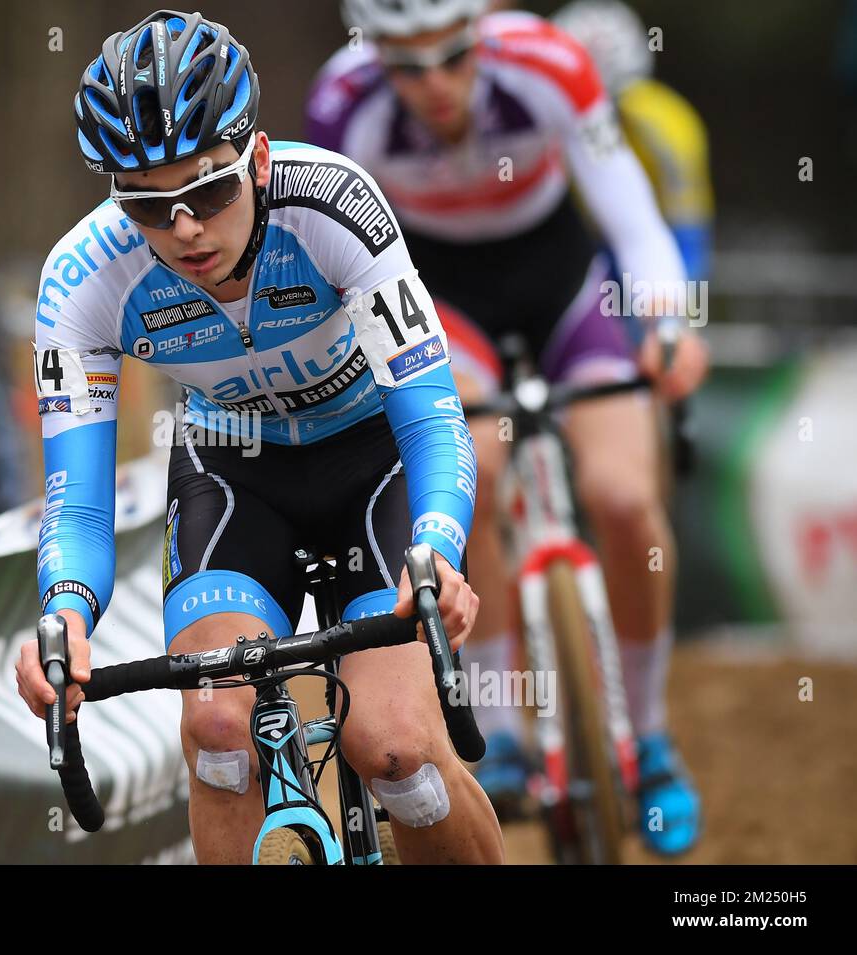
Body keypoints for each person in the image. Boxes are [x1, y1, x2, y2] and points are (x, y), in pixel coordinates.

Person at [16, 9, 503, 864]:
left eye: (209, 191)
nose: (187, 229)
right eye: (149, 206)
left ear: (262, 158)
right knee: (215, 729)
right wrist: (63, 611)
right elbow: (80, 503)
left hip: (372, 462)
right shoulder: (81, 281)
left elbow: (431, 410)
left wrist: (436, 546)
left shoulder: (336, 205)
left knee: (396, 750)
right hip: (235, 474)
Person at [308, 0, 708, 855]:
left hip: (567, 288)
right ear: (372, 56)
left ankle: (651, 736)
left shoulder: (549, 62)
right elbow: (335, 259)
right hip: (446, 302)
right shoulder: (343, 105)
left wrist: (669, 323)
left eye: (453, 57)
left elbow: (630, 210)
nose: (436, 85)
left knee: (626, 498)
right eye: (406, 66)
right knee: (473, 470)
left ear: (481, 35)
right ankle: (499, 727)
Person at [555, 0, 714, 293]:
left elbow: (689, 233)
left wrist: (676, 309)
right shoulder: (551, 120)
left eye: (606, 109)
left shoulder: (672, 129)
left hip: (663, 232)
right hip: (585, 237)